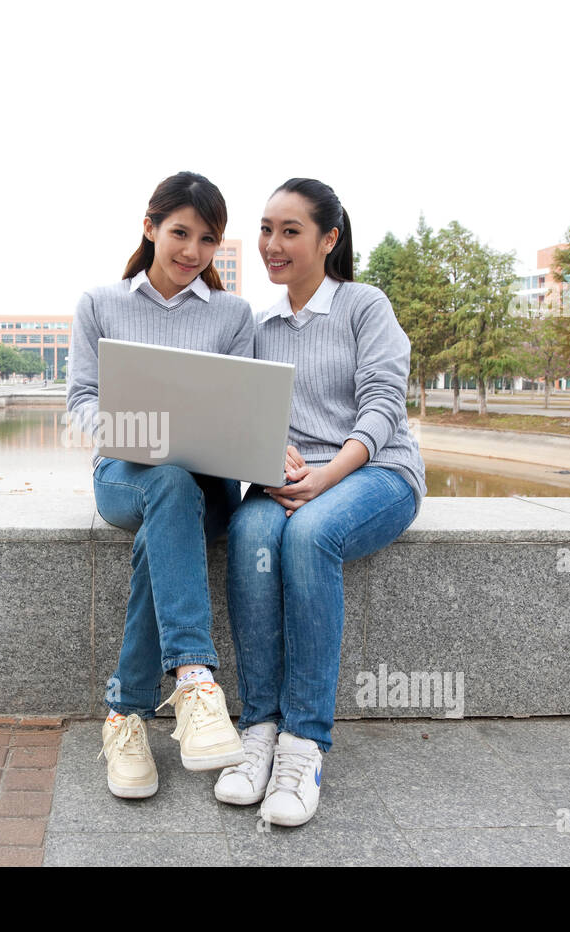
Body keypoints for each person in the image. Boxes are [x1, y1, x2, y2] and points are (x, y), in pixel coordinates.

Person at [216, 178, 426, 827]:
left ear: (328, 239)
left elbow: (384, 407)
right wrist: (271, 455)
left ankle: (303, 743)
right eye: (265, 228)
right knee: (250, 535)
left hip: (373, 471)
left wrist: (326, 477)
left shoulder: (364, 306)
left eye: (290, 230)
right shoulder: (258, 324)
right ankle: (258, 730)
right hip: (288, 478)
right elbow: (245, 411)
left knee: (310, 536)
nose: (271, 244)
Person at [67, 171, 254, 800]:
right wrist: (133, 429)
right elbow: (82, 403)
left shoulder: (233, 316)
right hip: (124, 475)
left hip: (208, 490)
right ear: (150, 228)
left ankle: (125, 716)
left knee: (176, 488)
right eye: (179, 232)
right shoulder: (100, 304)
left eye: (207, 239)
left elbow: (245, 411)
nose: (192, 251)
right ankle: (197, 684)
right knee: (165, 482)